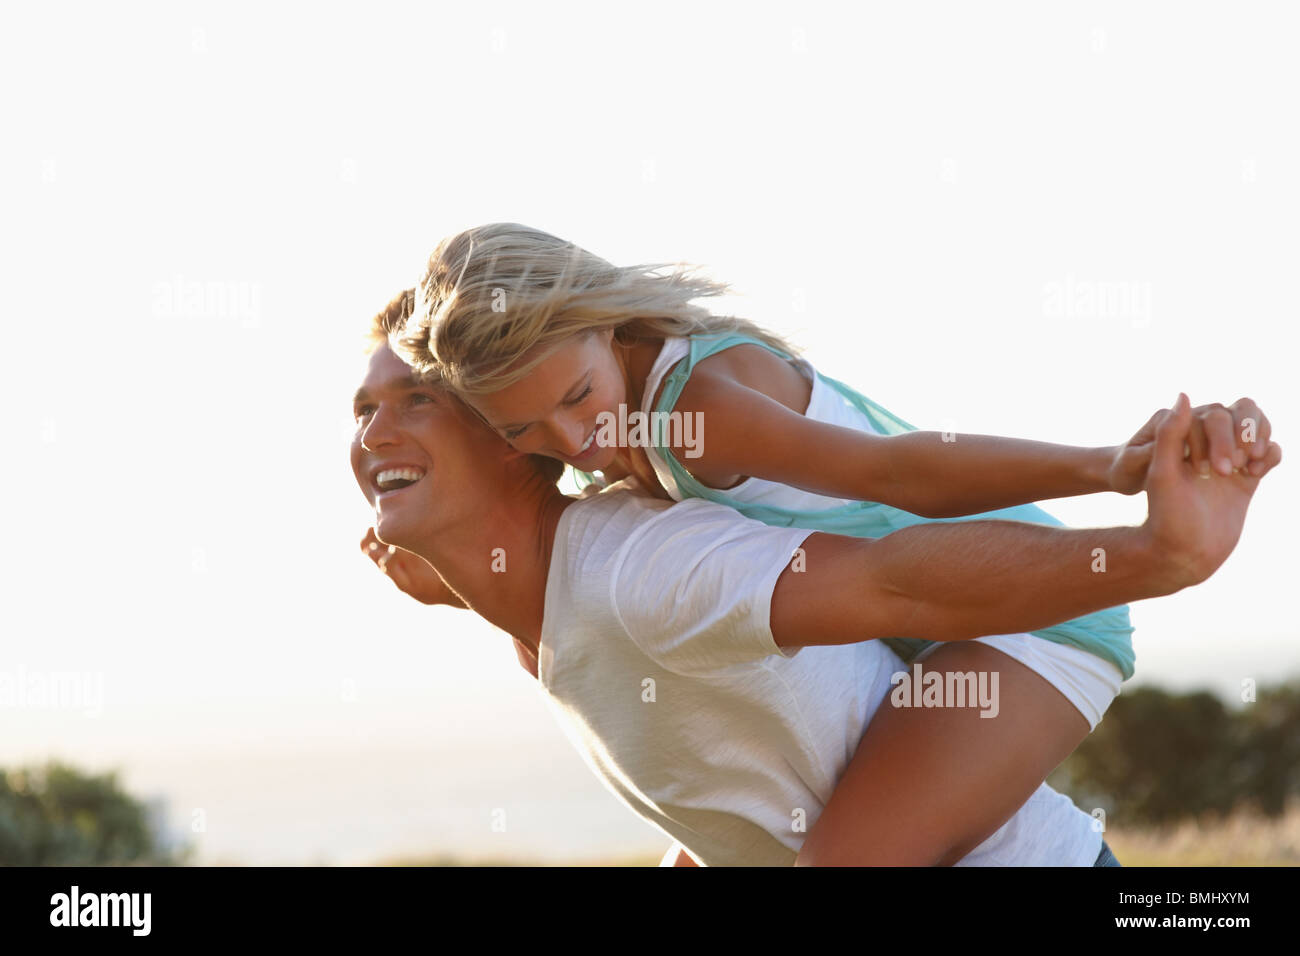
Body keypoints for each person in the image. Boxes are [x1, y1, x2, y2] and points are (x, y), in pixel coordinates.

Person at [392, 223, 1277, 862]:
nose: (572, 441)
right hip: (931, 630)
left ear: (603, 322)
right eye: (525, 429)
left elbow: (904, 473)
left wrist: (1110, 469)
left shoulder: (695, 408)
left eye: (576, 396)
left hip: (1030, 628)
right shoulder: (618, 428)